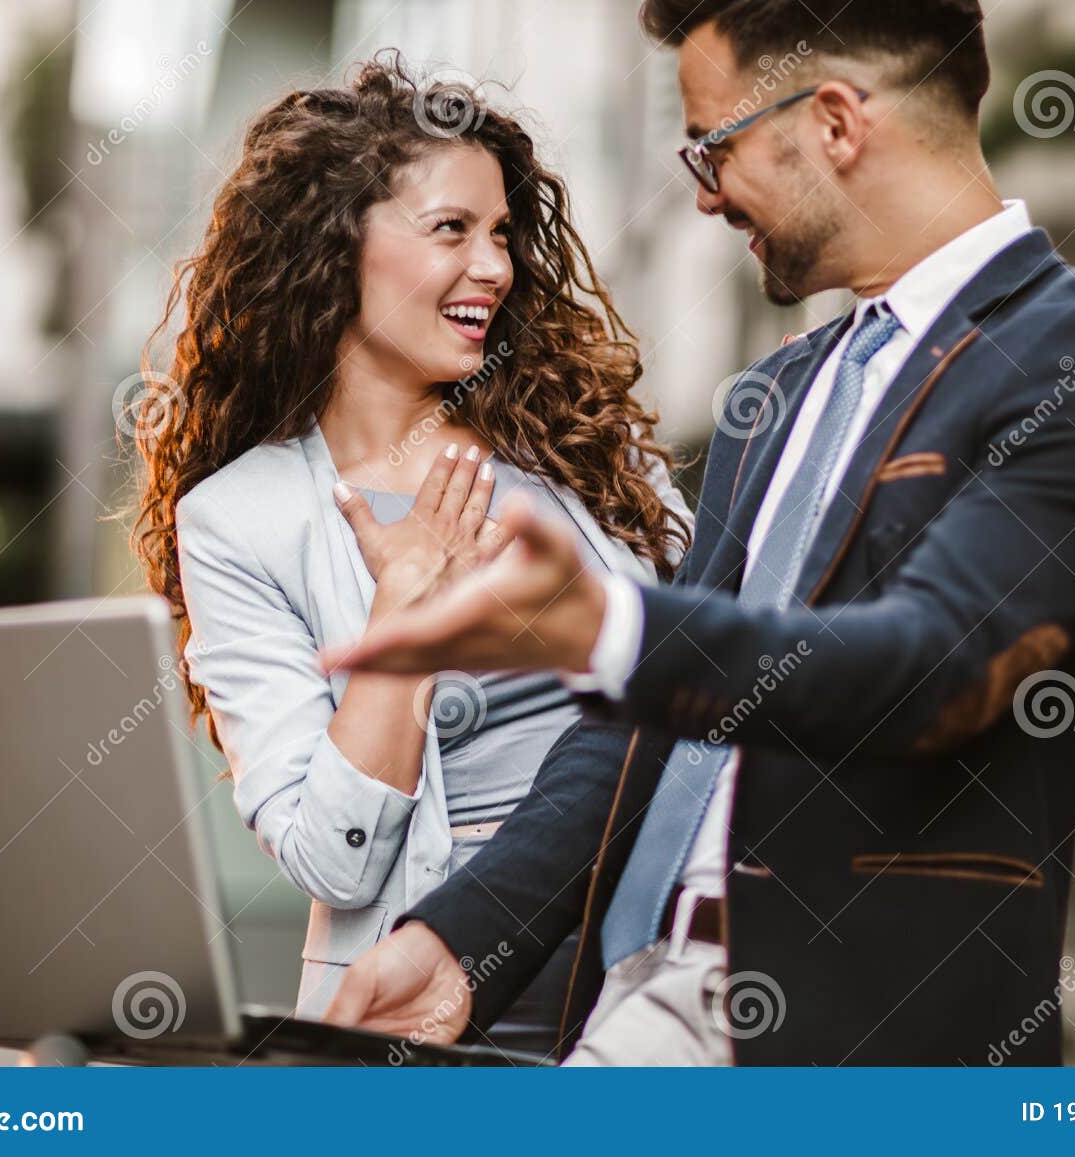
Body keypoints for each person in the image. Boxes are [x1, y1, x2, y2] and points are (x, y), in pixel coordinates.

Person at [318, 1, 1075, 1066]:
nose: (702, 195)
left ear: (833, 121)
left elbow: (936, 667)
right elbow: (643, 731)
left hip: (835, 1041)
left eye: (714, 146)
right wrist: (459, 938)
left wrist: (609, 626)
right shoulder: (774, 396)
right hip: (627, 1002)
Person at [128, 53, 691, 1057]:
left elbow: (709, 679)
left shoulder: (589, 449)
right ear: (336, 249)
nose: (495, 267)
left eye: (503, 234)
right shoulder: (241, 518)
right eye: (451, 230)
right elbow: (331, 859)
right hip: (425, 1013)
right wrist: (403, 618)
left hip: (649, 987)